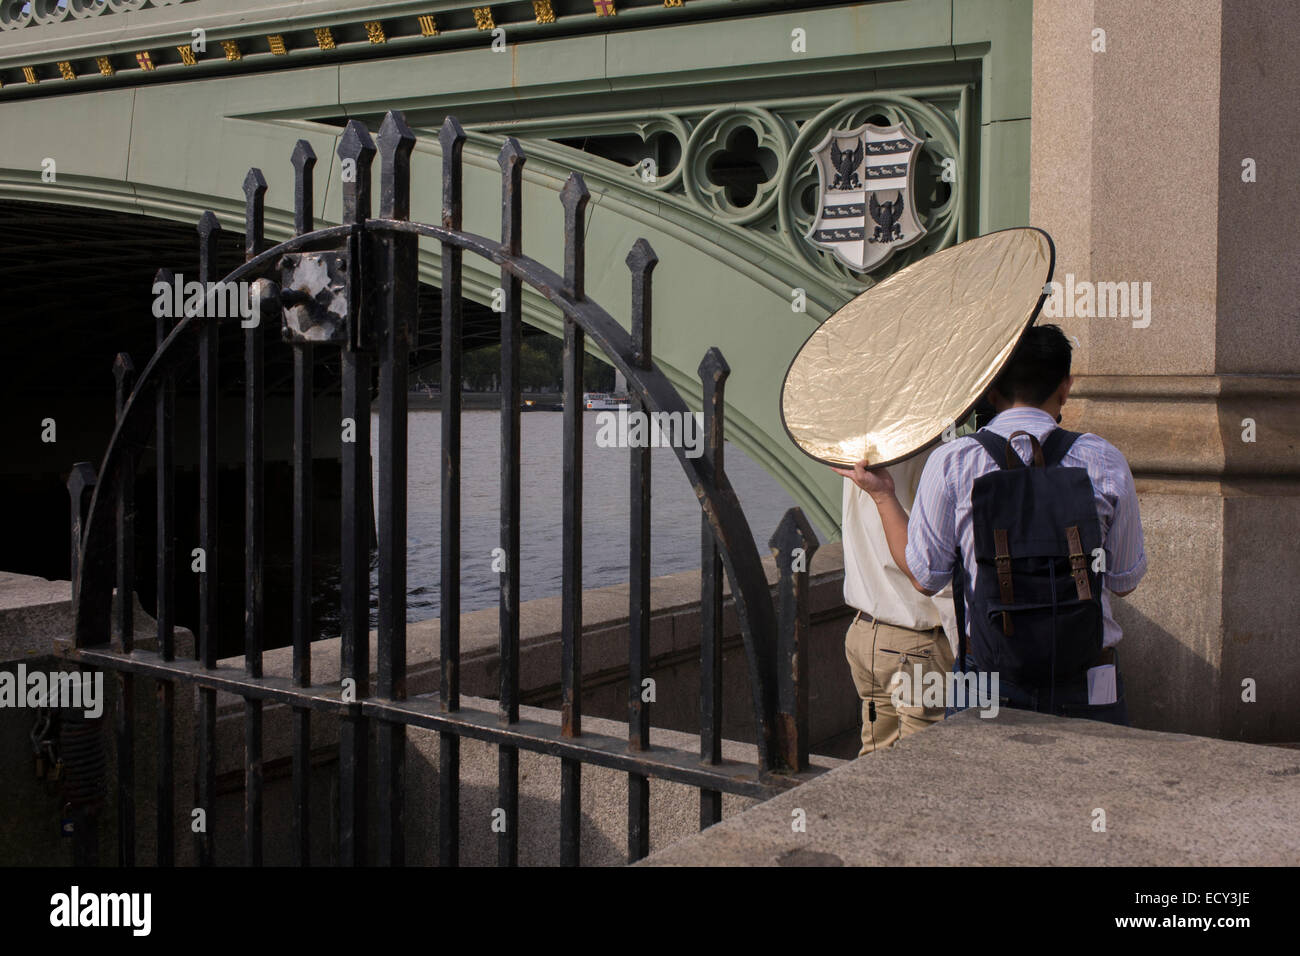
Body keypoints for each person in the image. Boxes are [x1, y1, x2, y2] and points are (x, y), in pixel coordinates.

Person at [840, 323, 1146, 725]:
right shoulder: (1104, 459)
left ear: (989, 389)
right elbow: (1123, 580)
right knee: (1090, 786)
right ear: (1065, 386)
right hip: (1087, 678)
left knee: (981, 787)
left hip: (988, 678)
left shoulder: (953, 462)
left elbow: (925, 577)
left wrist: (883, 496)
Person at [831, 449, 958, 754]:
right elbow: (931, 568)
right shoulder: (933, 454)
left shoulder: (856, 450)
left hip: (866, 631)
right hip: (917, 638)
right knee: (923, 764)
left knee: (876, 755)